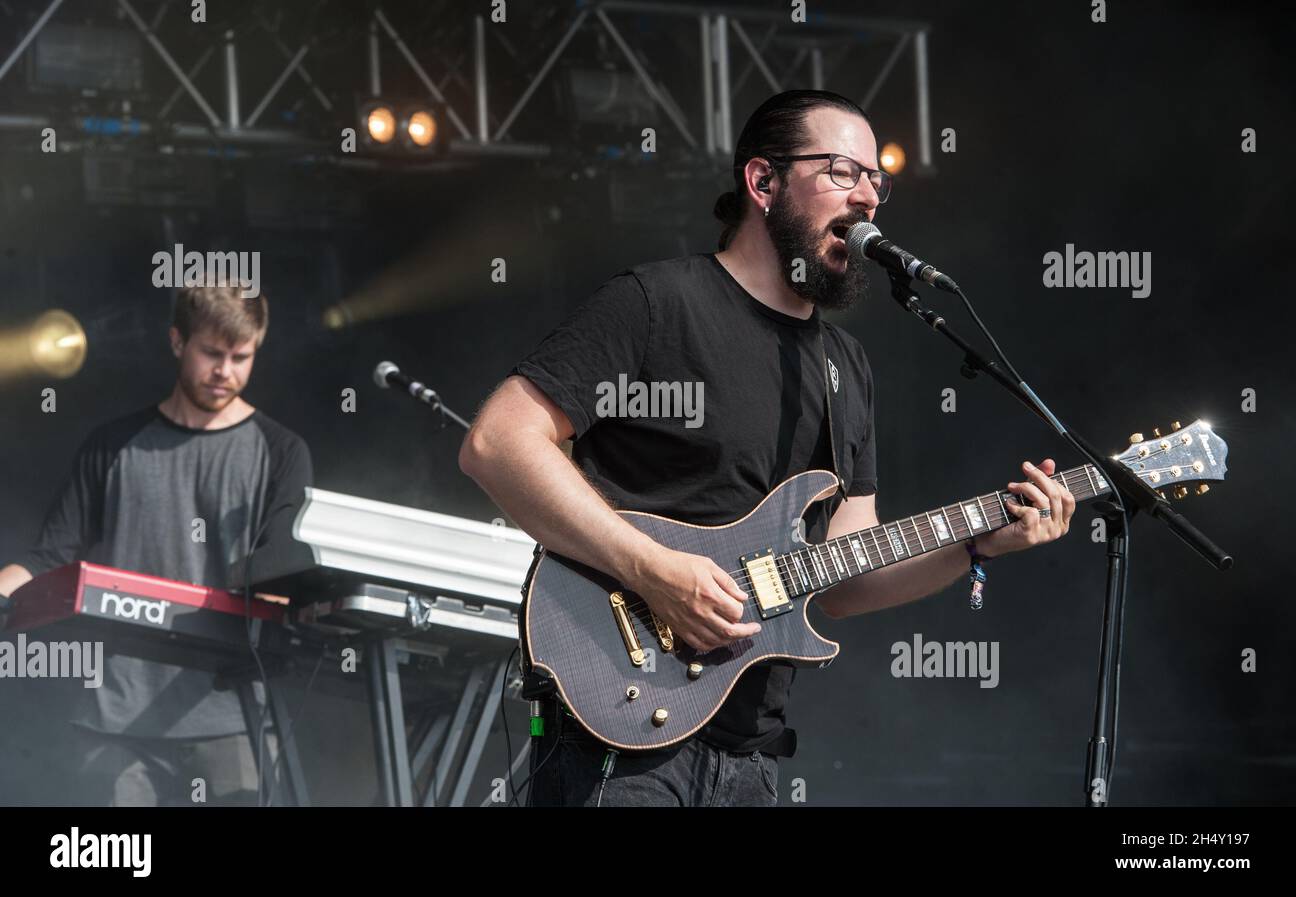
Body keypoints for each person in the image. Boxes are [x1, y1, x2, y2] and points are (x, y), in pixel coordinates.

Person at [458, 89, 1076, 807]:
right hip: (620, 735)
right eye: (845, 172)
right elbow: (497, 442)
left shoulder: (846, 367)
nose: (870, 196)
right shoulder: (657, 303)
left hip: (751, 755)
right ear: (762, 182)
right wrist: (656, 571)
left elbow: (845, 577)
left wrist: (976, 543)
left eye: (878, 179)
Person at [0, 286, 312, 806]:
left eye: (242, 357)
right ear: (176, 341)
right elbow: (50, 557)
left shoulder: (282, 452)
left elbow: (283, 581)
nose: (225, 372)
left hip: (233, 716)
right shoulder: (112, 445)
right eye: (212, 353)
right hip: (114, 720)